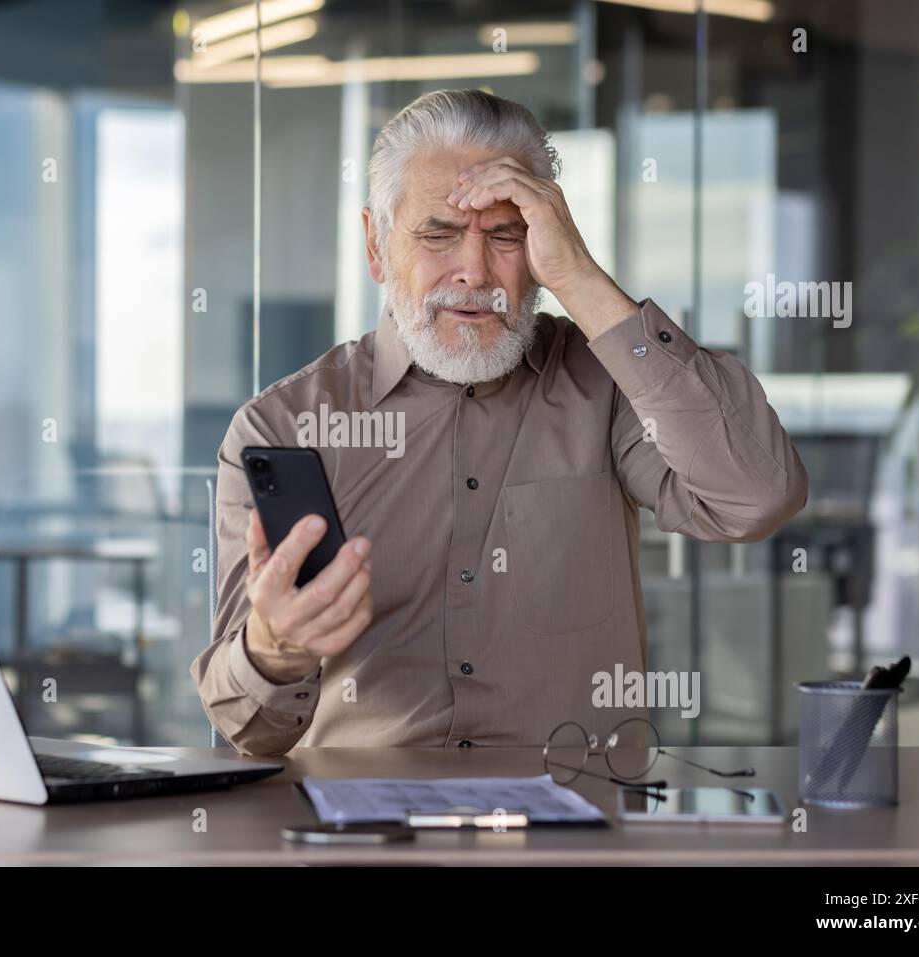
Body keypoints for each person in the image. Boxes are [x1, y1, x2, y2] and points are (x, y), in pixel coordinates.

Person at [190, 89, 808, 756]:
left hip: (572, 839)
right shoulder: (282, 428)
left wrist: (580, 278)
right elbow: (248, 728)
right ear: (376, 245)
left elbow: (756, 496)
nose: (475, 271)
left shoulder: (609, 387)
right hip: (365, 836)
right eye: (439, 233)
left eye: (507, 236)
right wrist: (273, 649)